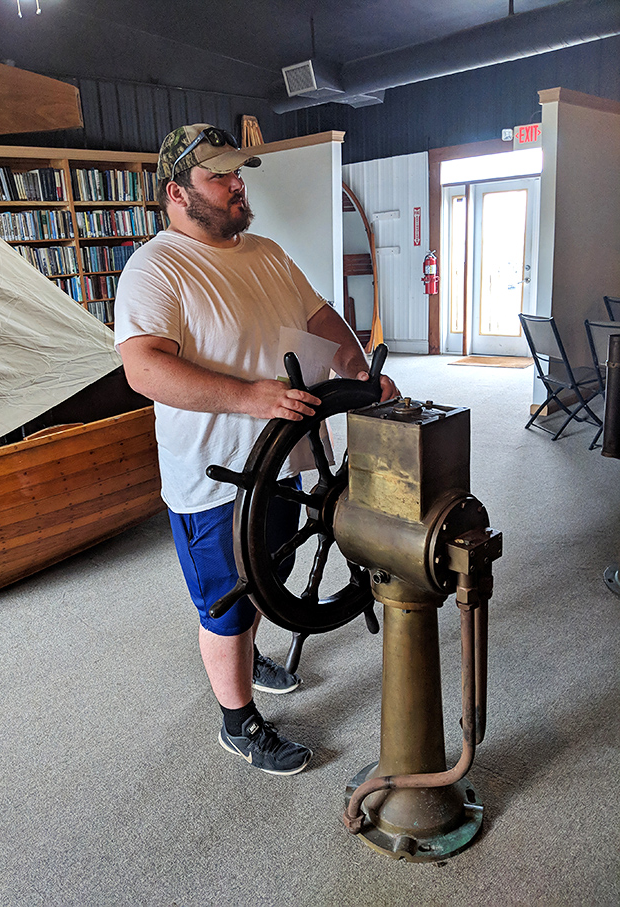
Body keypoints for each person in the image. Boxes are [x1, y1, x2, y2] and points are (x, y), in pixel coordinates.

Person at [115, 123, 399, 777]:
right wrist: (253, 398)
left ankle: (248, 648)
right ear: (178, 193)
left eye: (238, 172)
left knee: (265, 577)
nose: (237, 183)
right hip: (214, 481)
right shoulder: (155, 268)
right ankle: (237, 720)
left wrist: (358, 372)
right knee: (226, 599)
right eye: (219, 175)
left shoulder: (267, 253)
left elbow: (322, 317)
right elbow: (145, 370)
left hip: (287, 465)